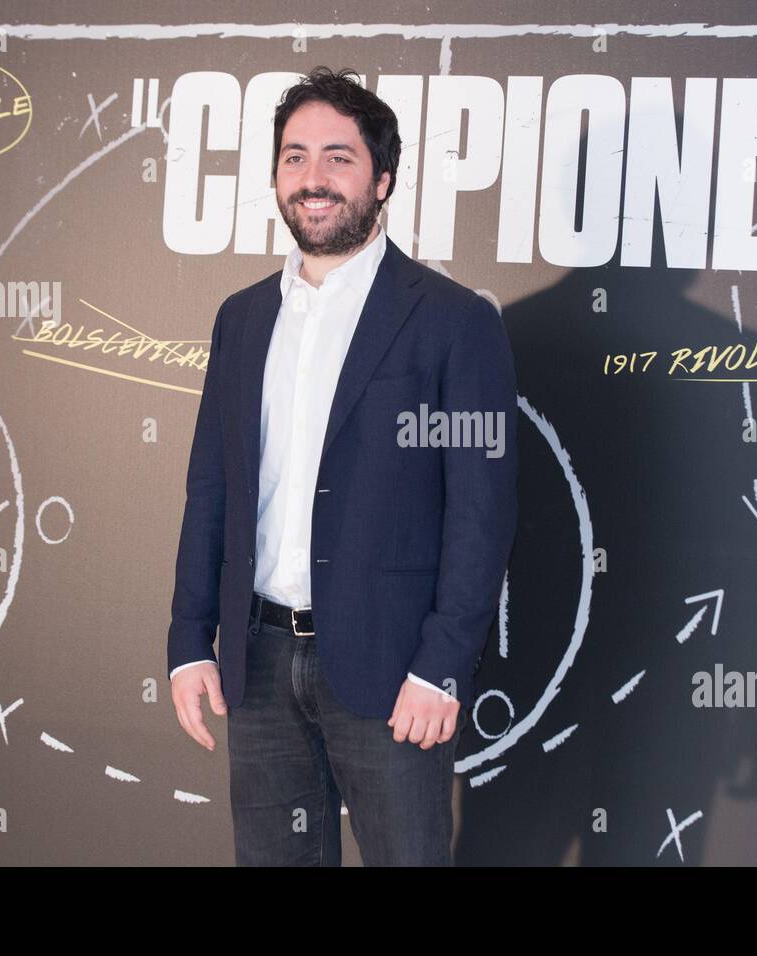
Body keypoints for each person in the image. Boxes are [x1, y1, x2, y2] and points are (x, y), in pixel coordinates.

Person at [166, 66, 519, 865]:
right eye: (294, 157)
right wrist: (191, 640)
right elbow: (210, 487)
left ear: (383, 178)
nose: (312, 179)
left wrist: (442, 665)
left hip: (393, 671)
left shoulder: (454, 323)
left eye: (337, 157)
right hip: (255, 665)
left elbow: (481, 511)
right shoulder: (242, 317)